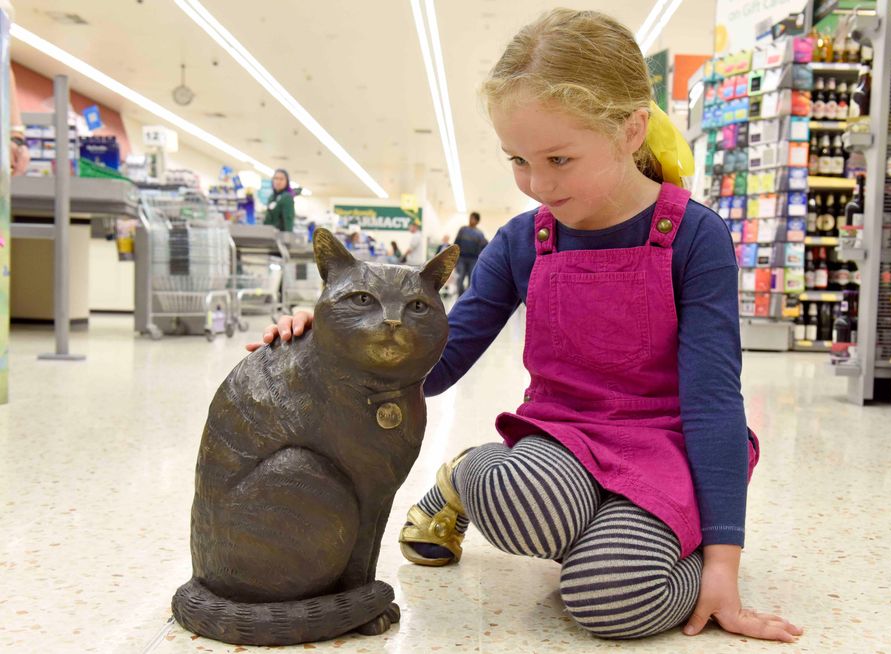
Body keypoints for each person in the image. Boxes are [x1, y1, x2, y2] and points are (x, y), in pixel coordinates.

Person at [247, 9, 800, 644]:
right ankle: (469, 477)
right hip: (562, 439)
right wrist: (333, 344)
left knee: (614, 605)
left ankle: (650, 542)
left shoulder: (695, 237)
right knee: (515, 503)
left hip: (665, 447)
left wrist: (723, 564)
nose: (537, 184)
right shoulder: (521, 242)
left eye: (559, 159)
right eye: (518, 160)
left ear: (630, 131)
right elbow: (437, 363)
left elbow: (711, 401)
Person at [453, 212, 487, 295]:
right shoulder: (463, 230)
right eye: (470, 218)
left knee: (471, 281)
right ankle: (460, 296)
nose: (471, 220)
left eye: (473, 219)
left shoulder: (479, 234)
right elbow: (456, 244)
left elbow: (484, 247)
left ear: (477, 221)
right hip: (461, 259)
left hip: (473, 260)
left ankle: (467, 297)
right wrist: (454, 259)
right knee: (459, 279)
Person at [263, 169, 295, 233]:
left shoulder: (287, 197)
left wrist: (287, 238)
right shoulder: (271, 197)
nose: (278, 181)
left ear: (287, 182)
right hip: (268, 234)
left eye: (281, 179)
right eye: (276, 178)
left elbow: (288, 221)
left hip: (280, 237)